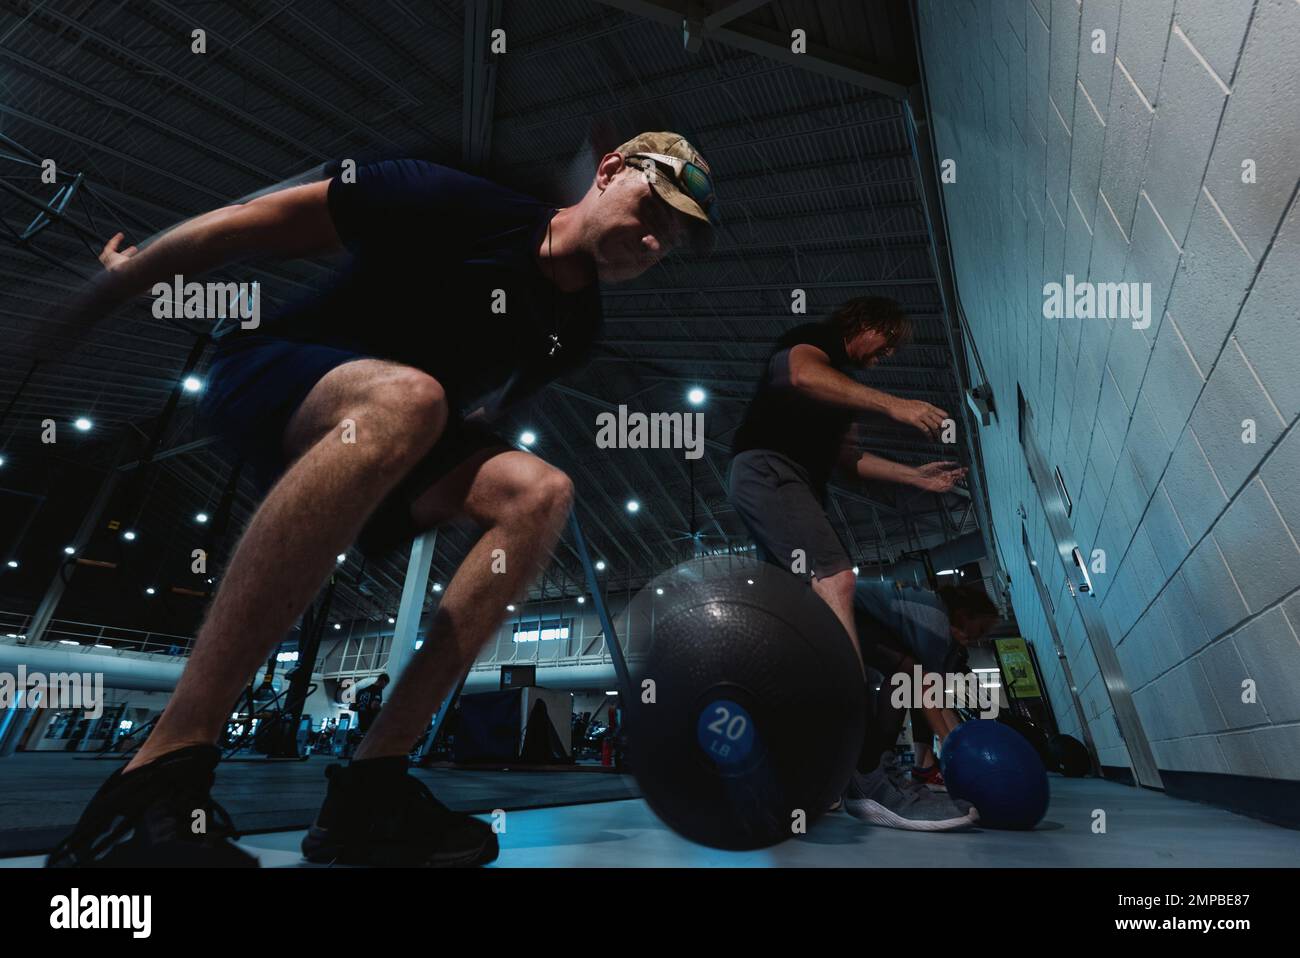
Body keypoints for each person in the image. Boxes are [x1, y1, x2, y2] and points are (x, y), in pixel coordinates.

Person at [47, 133, 717, 869]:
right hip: (274, 373)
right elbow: (260, 222)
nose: (654, 240)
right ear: (611, 169)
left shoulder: (577, 328)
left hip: (403, 425)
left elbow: (484, 408)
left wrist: (416, 470)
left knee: (539, 493)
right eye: (651, 207)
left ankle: (370, 789)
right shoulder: (454, 201)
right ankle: (156, 775)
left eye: (672, 237)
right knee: (412, 397)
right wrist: (136, 272)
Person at [728, 297, 976, 829]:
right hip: (767, 471)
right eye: (884, 344)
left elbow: (848, 460)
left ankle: (805, 773)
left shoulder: (836, 395)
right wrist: (893, 405)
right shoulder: (814, 344)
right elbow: (798, 373)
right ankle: (860, 768)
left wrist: (917, 478)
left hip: (790, 482)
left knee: (817, 628)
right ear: (864, 325)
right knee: (835, 579)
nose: (884, 357)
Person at [851, 580, 1001, 822]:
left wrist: (959, 740)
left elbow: (936, 697)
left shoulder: (936, 619)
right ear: (964, 615)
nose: (977, 638)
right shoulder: (936, 621)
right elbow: (925, 692)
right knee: (908, 674)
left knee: (907, 675)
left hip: (843, 614)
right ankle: (874, 773)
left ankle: (877, 769)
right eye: (980, 629)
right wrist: (951, 745)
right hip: (834, 612)